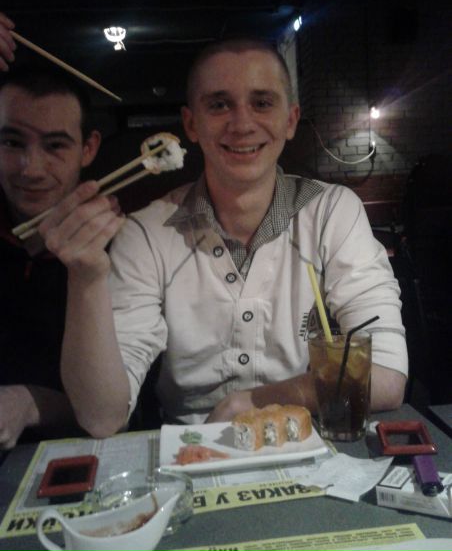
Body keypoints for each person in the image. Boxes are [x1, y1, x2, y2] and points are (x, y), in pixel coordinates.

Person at [38, 38, 408, 437]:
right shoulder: (146, 232)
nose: (242, 124)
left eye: (262, 103)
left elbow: (387, 374)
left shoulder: (332, 212)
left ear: (290, 120)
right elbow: (102, 417)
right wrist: (86, 277)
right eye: (219, 105)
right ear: (191, 124)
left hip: (302, 439)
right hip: (190, 450)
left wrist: (253, 401)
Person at [0, 16, 123, 447]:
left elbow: (119, 409)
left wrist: (28, 402)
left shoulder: (122, 246)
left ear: (88, 148)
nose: (30, 169)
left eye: (55, 146)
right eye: (12, 142)